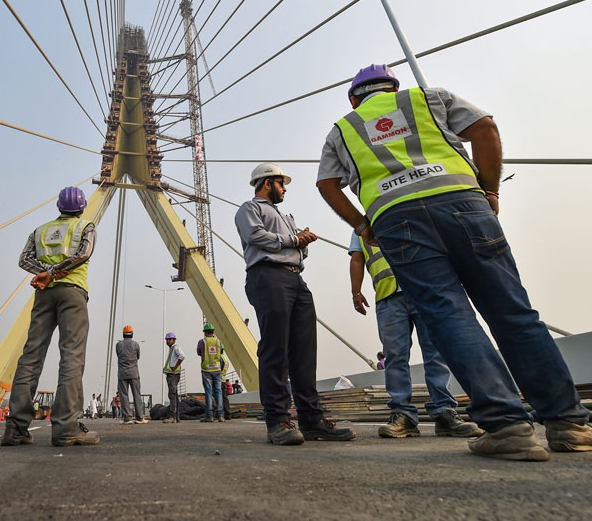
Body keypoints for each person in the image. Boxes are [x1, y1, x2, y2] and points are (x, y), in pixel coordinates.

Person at [317, 64, 591, 460]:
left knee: (449, 316)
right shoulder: (429, 98)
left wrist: (362, 225)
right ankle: (568, 423)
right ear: (393, 86)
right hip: (463, 203)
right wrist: (490, 190)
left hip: (398, 220)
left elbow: (327, 184)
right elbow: (485, 129)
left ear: (354, 99)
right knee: (513, 312)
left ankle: (507, 428)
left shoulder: (342, 129)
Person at [235, 163, 356, 445]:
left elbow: (296, 247)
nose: (285, 189)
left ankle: (312, 420)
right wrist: (294, 239)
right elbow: (255, 236)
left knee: (304, 351)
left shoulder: (285, 217)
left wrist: (303, 241)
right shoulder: (249, 209)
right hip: (268, 276)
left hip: (295, 279)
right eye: (281, 184)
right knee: (276, 347)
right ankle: (277, 421)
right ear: (267, 183)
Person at [349, 231, 482, 439]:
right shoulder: (361, 228)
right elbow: (357, 258)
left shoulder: (409, 214)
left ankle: (444, 412)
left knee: (436, 352)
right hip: (388, 296)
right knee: (394, 356)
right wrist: (356, 292)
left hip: (425, 290)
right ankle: (402, 414)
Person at [1, 186, 99, 447]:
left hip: (44, 295)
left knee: (30, 356)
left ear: (59, 207)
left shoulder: (39, 231)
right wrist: (55, 272)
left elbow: (24, 260)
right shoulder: (86, 227)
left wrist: (44, 272)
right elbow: (84, 254)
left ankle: (16, 428)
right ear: (82, 207)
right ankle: (66, 428)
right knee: (71, 357)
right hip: (73, 293)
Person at [116, 325, 147, 424]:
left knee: (123, 395)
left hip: (122, 373)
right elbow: (138, 357)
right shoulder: (136, 344)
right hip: (133, 372)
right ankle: (139, 418)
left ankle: (127, 418)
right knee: (137, 395)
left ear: (123, 335)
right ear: (132, 334)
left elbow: (118, 355)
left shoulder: (118, 345)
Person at [196, 324, 225, 423]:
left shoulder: (202, 342)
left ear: (205, 332)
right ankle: (220, 416)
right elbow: (221, 352)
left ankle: (209, 416)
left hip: (206, 370)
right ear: (213, 331)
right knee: (218, 392)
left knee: (208, 392)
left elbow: (199, 352)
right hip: (217, 370)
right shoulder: (219, 341)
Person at [162, 332, 185, 424]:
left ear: (173, 340)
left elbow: (182, 356)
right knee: (174, 395)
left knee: (172, 395)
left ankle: (172, 416)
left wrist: (175, 367)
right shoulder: (172, 349)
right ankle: (176, 417)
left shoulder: (175, 348)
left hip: (173, 375)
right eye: (167, 340)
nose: (167, 341)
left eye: (169, 339)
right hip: (172, 374)